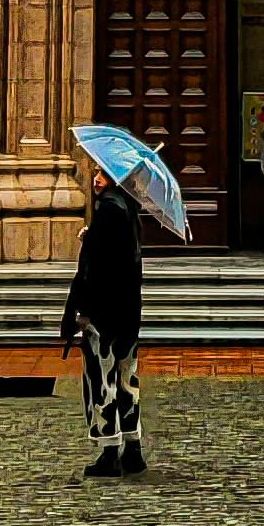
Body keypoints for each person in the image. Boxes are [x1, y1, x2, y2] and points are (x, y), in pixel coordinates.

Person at [61, 151, 147, 479]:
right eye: (96, 172)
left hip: (104, 313)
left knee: (103, 381)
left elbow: (97, 269)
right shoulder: (129, 209)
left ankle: (110, 451)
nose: (96, 179)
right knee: (128, 380)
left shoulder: (109, 208)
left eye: (103, 174)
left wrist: (80, 312)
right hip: (127, 310)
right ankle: (133, 448)